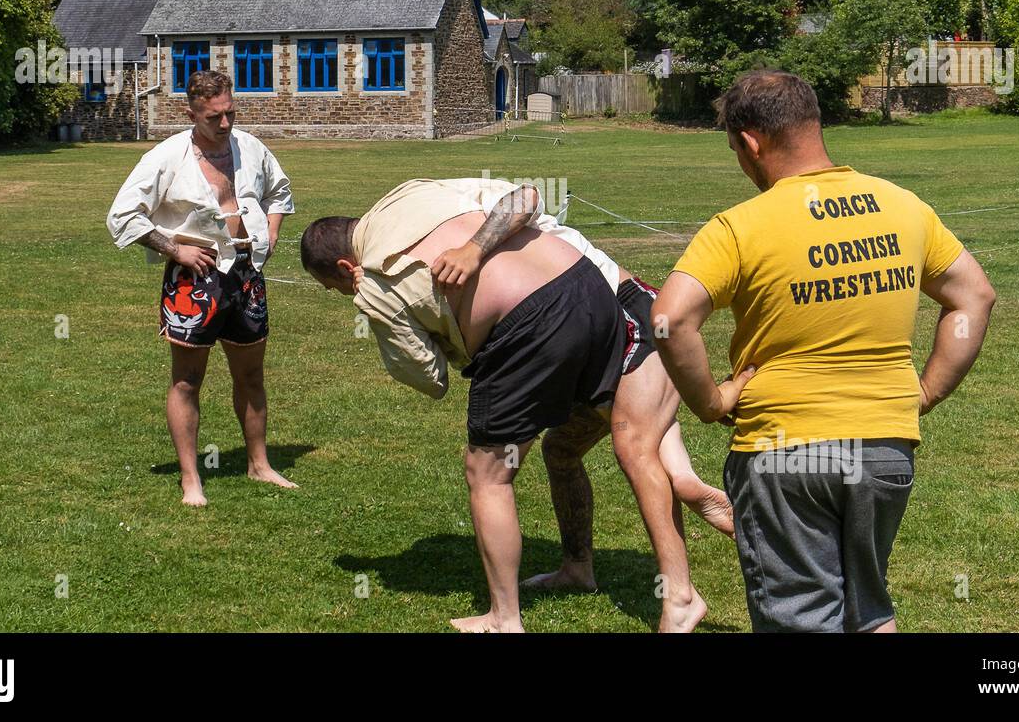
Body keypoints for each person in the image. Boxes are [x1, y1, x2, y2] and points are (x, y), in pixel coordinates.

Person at [653, 70, 996, 633]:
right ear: (813, 123)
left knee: (802, 616)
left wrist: (712, 402)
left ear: (751, 142)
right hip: (885, 448)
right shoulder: (904, 206)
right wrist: (926, 391)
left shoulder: (738, 227)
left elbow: (669, 319)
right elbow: (974, 297)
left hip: (784, 450)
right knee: (869, 610)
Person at [301, 178, 720, 632]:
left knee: (488, 475)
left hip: (528, 328)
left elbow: (430, 379)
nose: (341, 296)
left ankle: (504, 618)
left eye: (334, 288)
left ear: (346, 267)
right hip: (588, 286)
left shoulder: (373, 282)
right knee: (586, 446)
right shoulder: (413, 190)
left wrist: (375, 307)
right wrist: (477, 245)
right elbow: (526, 196)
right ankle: (593, 567)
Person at [428, 182, 735, 632]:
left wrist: (473, 249)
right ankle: (579, 565)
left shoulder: (490, 209)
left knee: (634, 446)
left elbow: (527, 195)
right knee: (563, 450)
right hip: (600, 330)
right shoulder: (482, 228)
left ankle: (681, 596)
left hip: (626, 314)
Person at [107, 69, 296, 507]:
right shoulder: (167, 156)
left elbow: (280, 192)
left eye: (230, 113)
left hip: (246, 274)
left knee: (250, 375)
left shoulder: (250, 148)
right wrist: (175, 250)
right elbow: (123, 215)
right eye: (214, 117)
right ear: (190, 112)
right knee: (188, 380)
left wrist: (271, 233)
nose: (226, 124)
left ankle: (259, 464)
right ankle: (191, 479)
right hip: (193, 276)